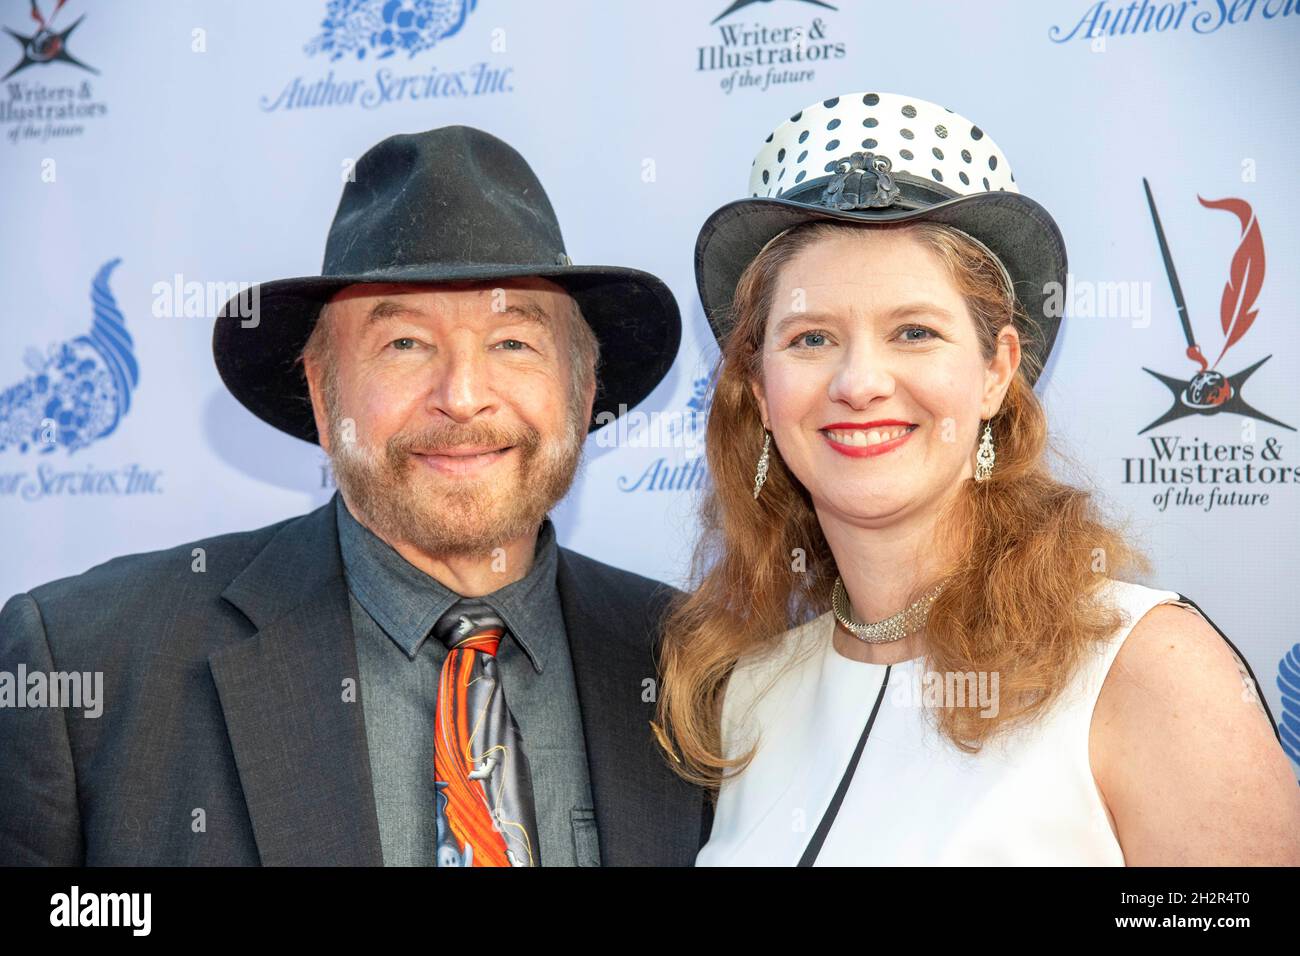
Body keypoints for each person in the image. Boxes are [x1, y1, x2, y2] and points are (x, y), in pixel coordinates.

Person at [0, 125, 709, 866]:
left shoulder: (702, 671)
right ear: (320, 388)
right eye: (404, 343)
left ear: (583, 387)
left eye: (513, 342)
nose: (463, 398)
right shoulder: (83, 672)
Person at [655, 91, 1299, 865]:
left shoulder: (1141, 666)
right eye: (812, 336)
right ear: (760, 391)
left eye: (914, 331)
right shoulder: (752, 698)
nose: (859, 382)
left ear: (996, 372)